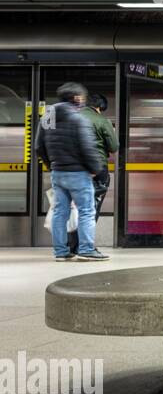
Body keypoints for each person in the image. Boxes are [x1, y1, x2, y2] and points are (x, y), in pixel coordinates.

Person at [32, 82, 108, 262]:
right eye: (82, 97)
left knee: (60, 212)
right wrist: (95, 169)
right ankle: (86, 250)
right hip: (78, 173)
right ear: (76, 98)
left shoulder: (47, 118)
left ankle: (61, 252)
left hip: (58, 172)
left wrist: (51, 165)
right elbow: (87, 147)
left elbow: (38, 147)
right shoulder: (78, 118)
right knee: (87, 211)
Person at [68, 93, 118, 255]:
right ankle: (84, 246)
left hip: (73, 168)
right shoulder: (102, 121)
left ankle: (70, 245)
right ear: (100, 107)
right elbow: (114, 146)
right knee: (91, 207)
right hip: (97, 168)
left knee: (72, 206)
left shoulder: (71, 119)